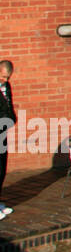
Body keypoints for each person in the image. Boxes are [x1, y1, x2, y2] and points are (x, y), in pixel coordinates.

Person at [0, 60, 13, 219]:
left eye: (8, 77)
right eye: (3, 77)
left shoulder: (6, 86)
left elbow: (9, 105)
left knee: (2, 169)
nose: (6, 80)